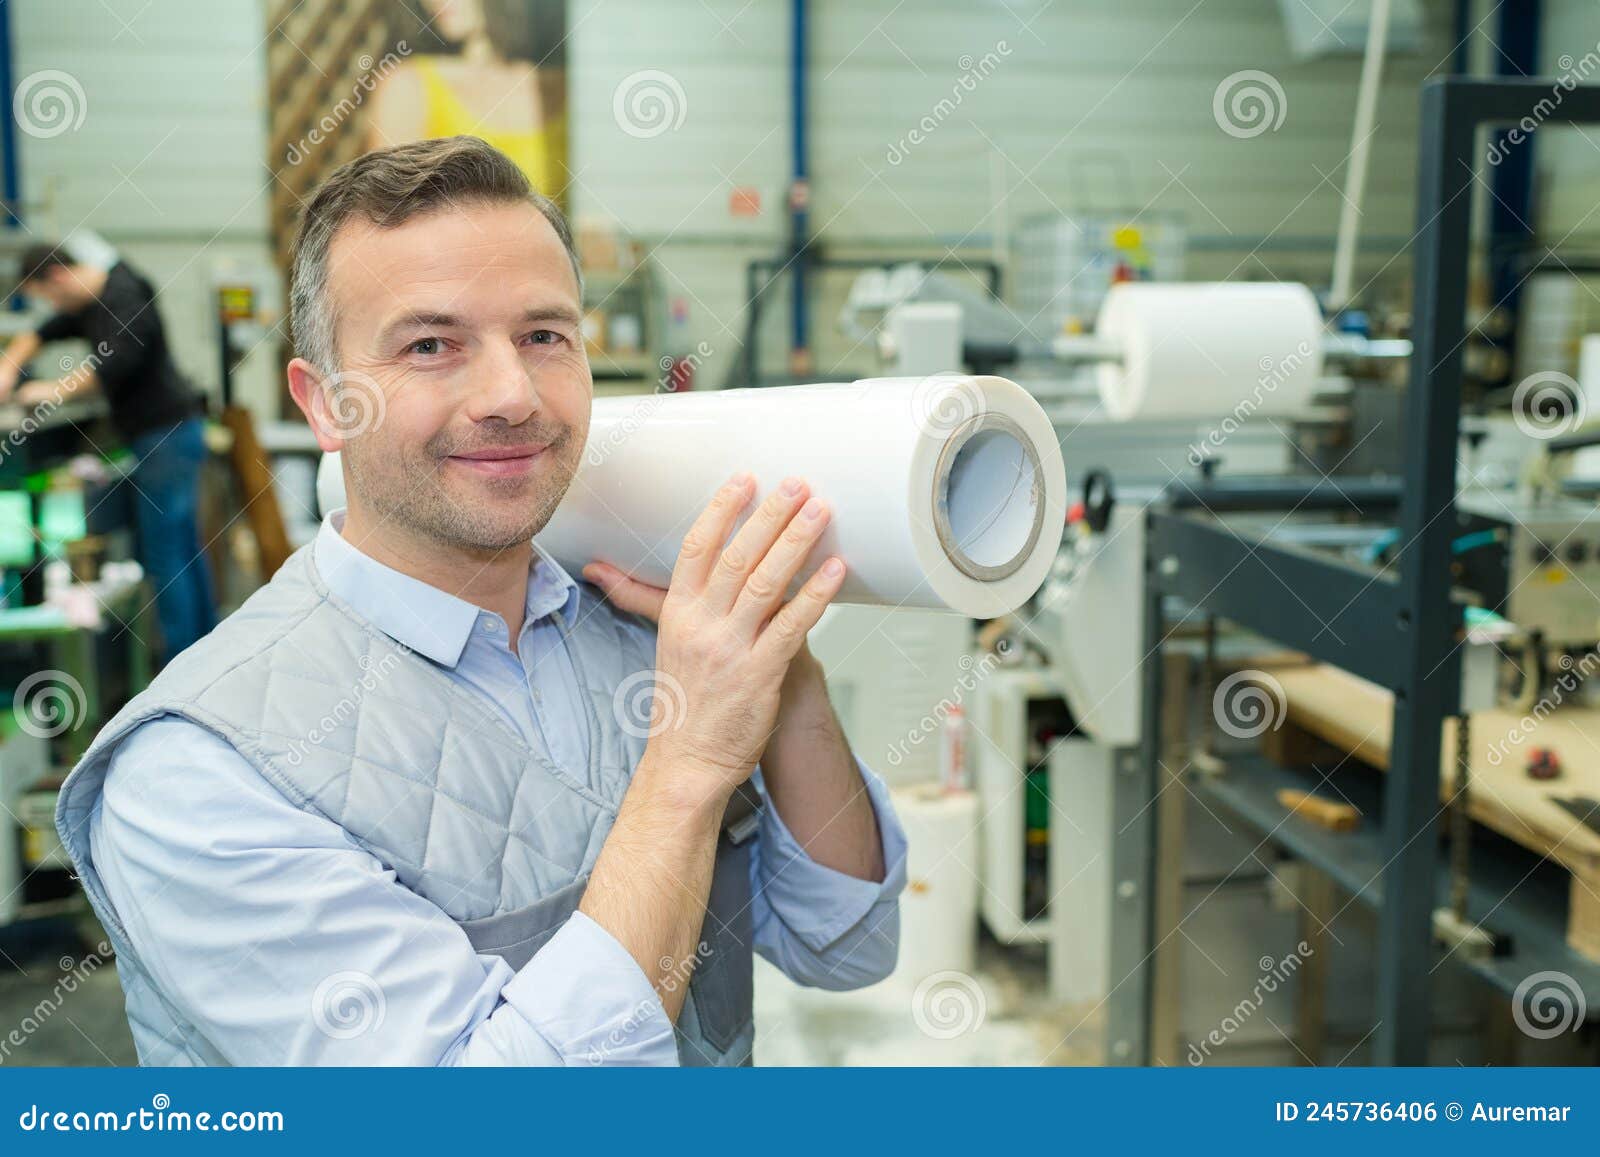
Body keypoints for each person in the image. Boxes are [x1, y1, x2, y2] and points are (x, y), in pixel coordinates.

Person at [54, 136, 906, 1066]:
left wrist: (782, 665)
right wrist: (690, 759)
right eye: (430, 345)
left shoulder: (642, 626)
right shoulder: (197, 775)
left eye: (544, 336)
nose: (511, 394)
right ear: (325, 402)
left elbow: (846, 945)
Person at [0, 245, 216, 663]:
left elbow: (113, 365)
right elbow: (43, 332)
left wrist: (51, 390)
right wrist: (9, 367)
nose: (53, 307)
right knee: (182, 549)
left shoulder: (124, 296)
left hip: (166, 437)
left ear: (58, 276)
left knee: (167, 555)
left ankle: (186, 667)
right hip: (164, 437)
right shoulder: (90, 302)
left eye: (48, 297)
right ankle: (206, 657)